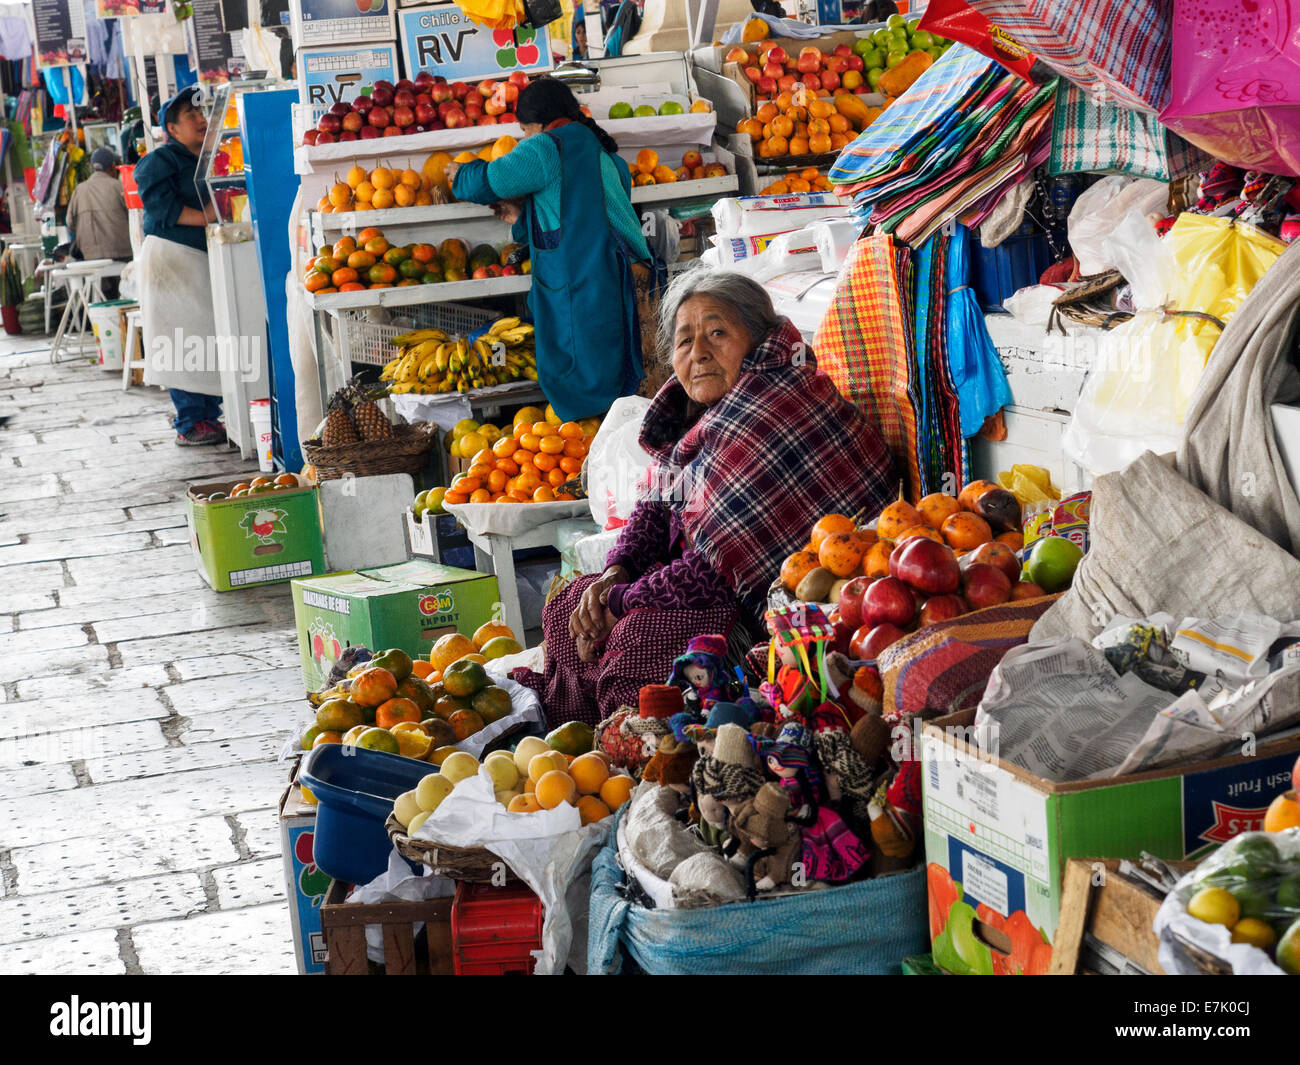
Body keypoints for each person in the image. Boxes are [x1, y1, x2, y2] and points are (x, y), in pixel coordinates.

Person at [513, 271, 898, 726]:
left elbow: (716, 573)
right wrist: (613, 575)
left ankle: (642, 751)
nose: (698, 353)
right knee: (567, 606)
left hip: (761, 611)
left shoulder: (777, 407)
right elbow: (654, 510)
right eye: (684, 340)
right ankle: (577, 739)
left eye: (717, 333)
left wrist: (620, 601)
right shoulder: (696, 413)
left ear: (757, 340)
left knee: (638, 637)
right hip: (698, 584)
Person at [446, 78, 651, 423]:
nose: (526, 138)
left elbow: (487, 182)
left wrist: (457, 173)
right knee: (620, 373)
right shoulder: (600, 149)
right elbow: (580, 208)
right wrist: (524, 216)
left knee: (586, 376)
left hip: (589, 281)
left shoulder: (546, 147)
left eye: (525, 130)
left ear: (537, 124)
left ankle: (591, 454)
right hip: (630, 276)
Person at [133, 86, 226, 447]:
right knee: (179, 341)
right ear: (172, 129)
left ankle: (209, 415)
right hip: (169, 262)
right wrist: (204, 217)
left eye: (202, 114)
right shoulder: (160, 160)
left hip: (199, 261)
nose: (201, 120)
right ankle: (190, 421)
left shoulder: (205, 157)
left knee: (204, 336)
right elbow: (159, 206)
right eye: (191, 117)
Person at [65, 148, 133, 275]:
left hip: (90, 257)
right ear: (113, 166)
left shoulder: (79, 190)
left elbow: (69, 223)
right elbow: (134, 217)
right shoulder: (118, 186)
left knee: (99, 290)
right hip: (123, 254)